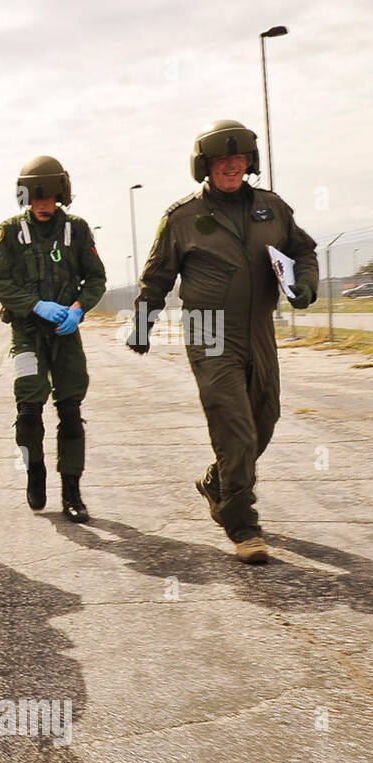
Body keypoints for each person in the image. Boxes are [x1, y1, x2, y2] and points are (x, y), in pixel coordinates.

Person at [130, 119, 318, 563]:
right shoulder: (183, 218)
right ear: (205, 166)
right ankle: (241, 523)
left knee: (263, 419)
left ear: (249, 162)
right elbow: (157, 275)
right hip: (209, 329)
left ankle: (218, 481)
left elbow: (303, 249)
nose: (231, 166)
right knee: (234, 425)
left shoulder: (272, 208)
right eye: (221, 160)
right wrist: (142, 324)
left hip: (259, 328)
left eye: (238, 158)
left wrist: (305, 285)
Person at [0, 156, 106, 522]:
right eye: (36, 196)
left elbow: (97, 278)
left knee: (71, 412)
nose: (43, 203)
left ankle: (72, 490)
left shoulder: (78, 230)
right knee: (28, 412)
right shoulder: (8, 233)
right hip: (26, 334)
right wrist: (35, 305)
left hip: (65, 334)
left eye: (50, 195)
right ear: (26, 196)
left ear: (61, 194)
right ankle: (34, 471)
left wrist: (77, 308)